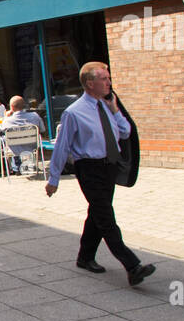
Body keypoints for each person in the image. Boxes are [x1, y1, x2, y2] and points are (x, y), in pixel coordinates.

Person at [45, 61, 154, 286]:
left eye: (108, 78)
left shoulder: (106, 105)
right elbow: (62, 146)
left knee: (97, 214)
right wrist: (53, 178)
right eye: (104, 79)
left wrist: (115, 110)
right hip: (89, 169)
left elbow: (125, 132)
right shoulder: (73, 113)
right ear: (89, 83)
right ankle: (132, 266)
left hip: (109, 167)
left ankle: (85, 257)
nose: (109, 82)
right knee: (106, 218)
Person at [3, 95, 46, 174]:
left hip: (14, 149)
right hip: (32, 146)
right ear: (24, 105)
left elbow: (2, 131)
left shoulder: (8, 120)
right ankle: (22, 166)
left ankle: (16, 167)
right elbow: (43, 130)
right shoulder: (35, 116)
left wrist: (6, 117)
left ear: (11, 107)